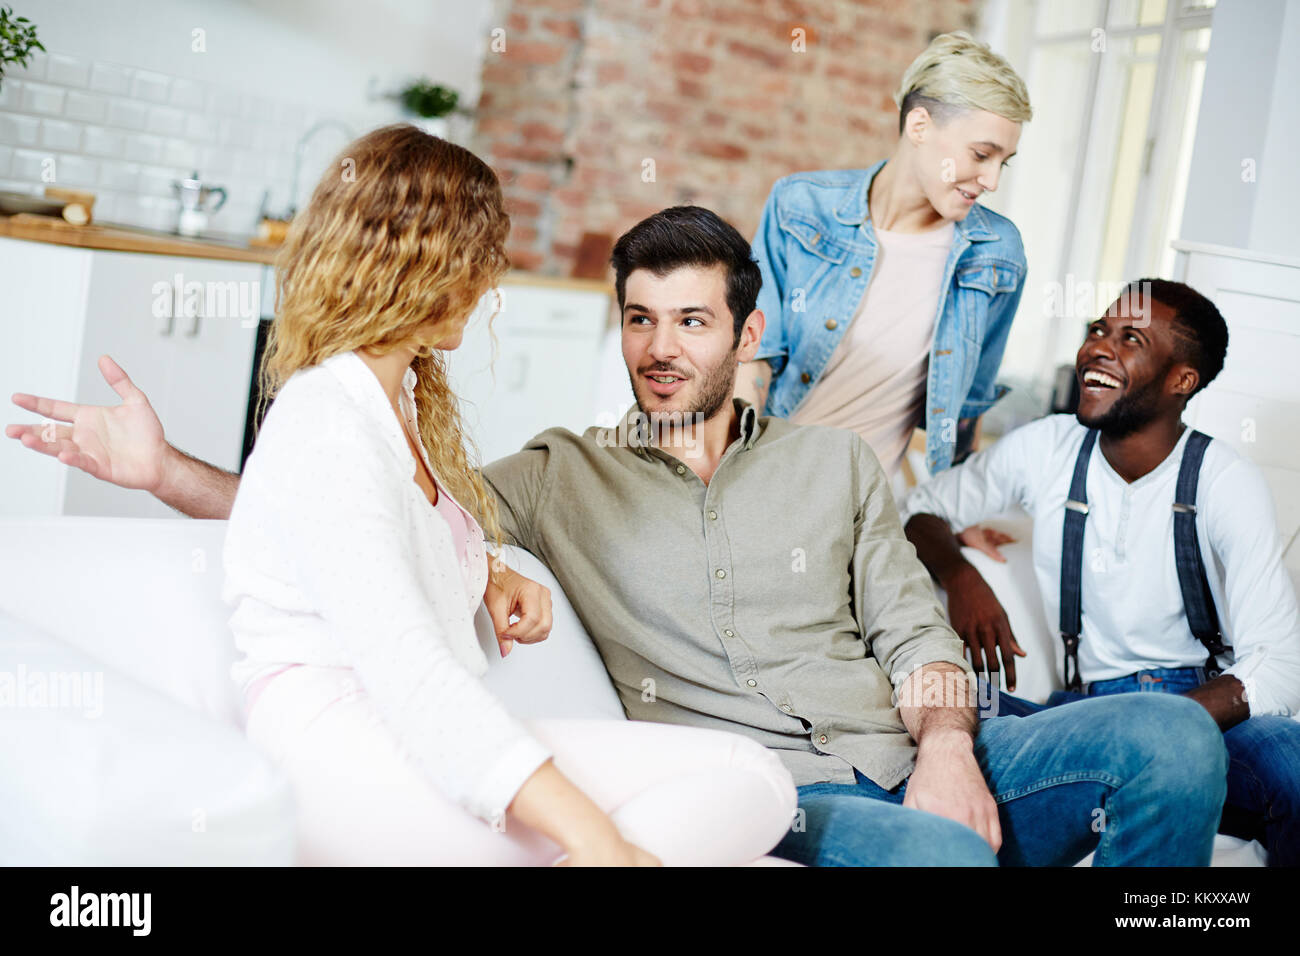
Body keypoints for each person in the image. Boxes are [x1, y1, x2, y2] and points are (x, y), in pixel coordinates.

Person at [8, 206, 1229, 867]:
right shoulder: (561, 473)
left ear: (746, 337)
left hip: (907, 738)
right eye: (639, 319)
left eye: (691, 319)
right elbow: (359, 509)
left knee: (1173, 735)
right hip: (788, 792)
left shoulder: (829, 463)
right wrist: (164, 471)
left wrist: (952, 741)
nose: (659, 347)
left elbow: (910, 623)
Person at [9, 126, 800, 867]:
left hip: (421, 740)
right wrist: (599, 839)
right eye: (478, 255)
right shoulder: (327, 419)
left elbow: (369, 541)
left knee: (753, 781)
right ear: (418, 263)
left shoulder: (399, 407)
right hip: (346, 760)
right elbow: (412, 673)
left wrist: (485, 569)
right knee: (690, 815)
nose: (491, 281)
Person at [902, 279, 1300, 866]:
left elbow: (1281, 666)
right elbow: (920, 510)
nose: (1098, 348)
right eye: (1098, 330)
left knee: (1290, 763)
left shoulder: (1222, 478)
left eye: (1130, 338)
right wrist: (962, 579)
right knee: (943, 712)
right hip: (1082, 711)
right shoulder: (1047, 447)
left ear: (1180, 381)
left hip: (1208, 707)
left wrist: (1156, 730)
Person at [737, 32, 1030, 486]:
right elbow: (755, 357)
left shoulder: (995, 254)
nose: (991, 179)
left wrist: (958, 519)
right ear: (919, 126)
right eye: (981, 155)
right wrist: (732, 474)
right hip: (762, 472)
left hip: (860, 510)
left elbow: (965, 411)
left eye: (1003, 163)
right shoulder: (800, 206)